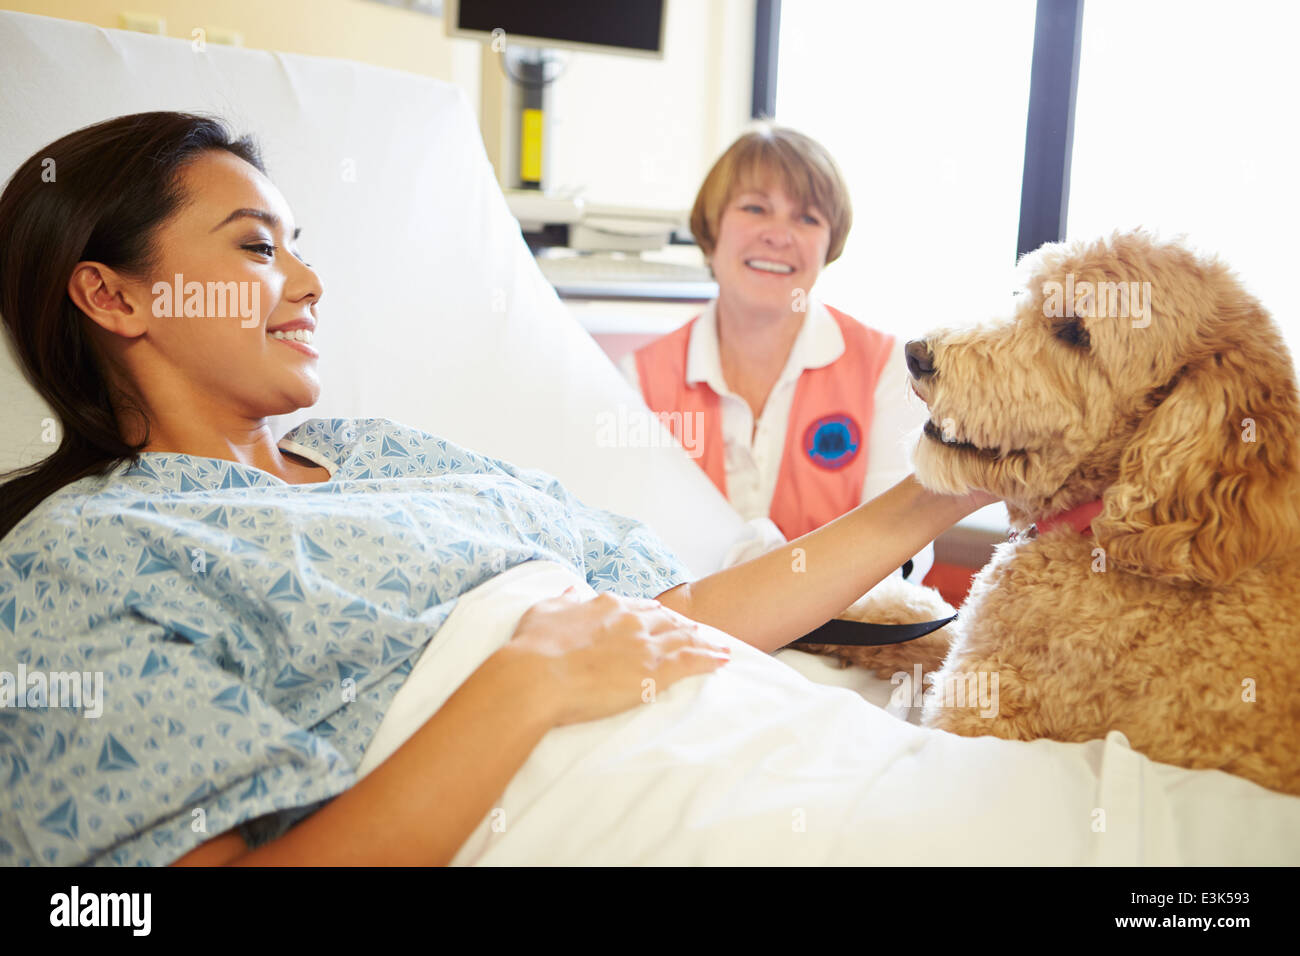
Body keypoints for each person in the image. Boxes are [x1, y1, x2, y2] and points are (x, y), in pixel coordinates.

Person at [0, 112, 993, 866]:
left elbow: (674, 614)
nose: (308, 281)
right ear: (112, 294)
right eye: (259, 247)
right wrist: (528, 680)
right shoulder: (80, 556)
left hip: (786, 742)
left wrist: (942, 489)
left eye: (301, 245)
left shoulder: (377, 452)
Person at [621, 126, 933, 580]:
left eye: (807, 218)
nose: (778, 234)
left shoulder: (886, 369)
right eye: (755, 208)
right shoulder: (638, 380)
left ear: (830, 244)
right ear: (712, 228)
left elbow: (902, 549)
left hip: (842, 643)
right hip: (684, 638)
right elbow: (627, 546)